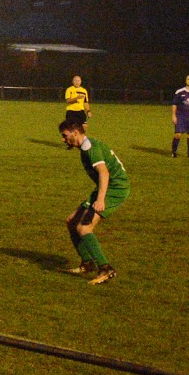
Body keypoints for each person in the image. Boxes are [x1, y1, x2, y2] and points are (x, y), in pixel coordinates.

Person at [60, 118, 128, 285]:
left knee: (84, 228)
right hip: (105, 187)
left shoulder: (91, 148)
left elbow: (104, 173)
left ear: (75, 133)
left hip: (115, 189)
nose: (63, 139)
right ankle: (87, 263)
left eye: (65, 135)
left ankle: (106, 269)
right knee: (71, 222)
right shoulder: (85, 147)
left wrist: (100, 199)